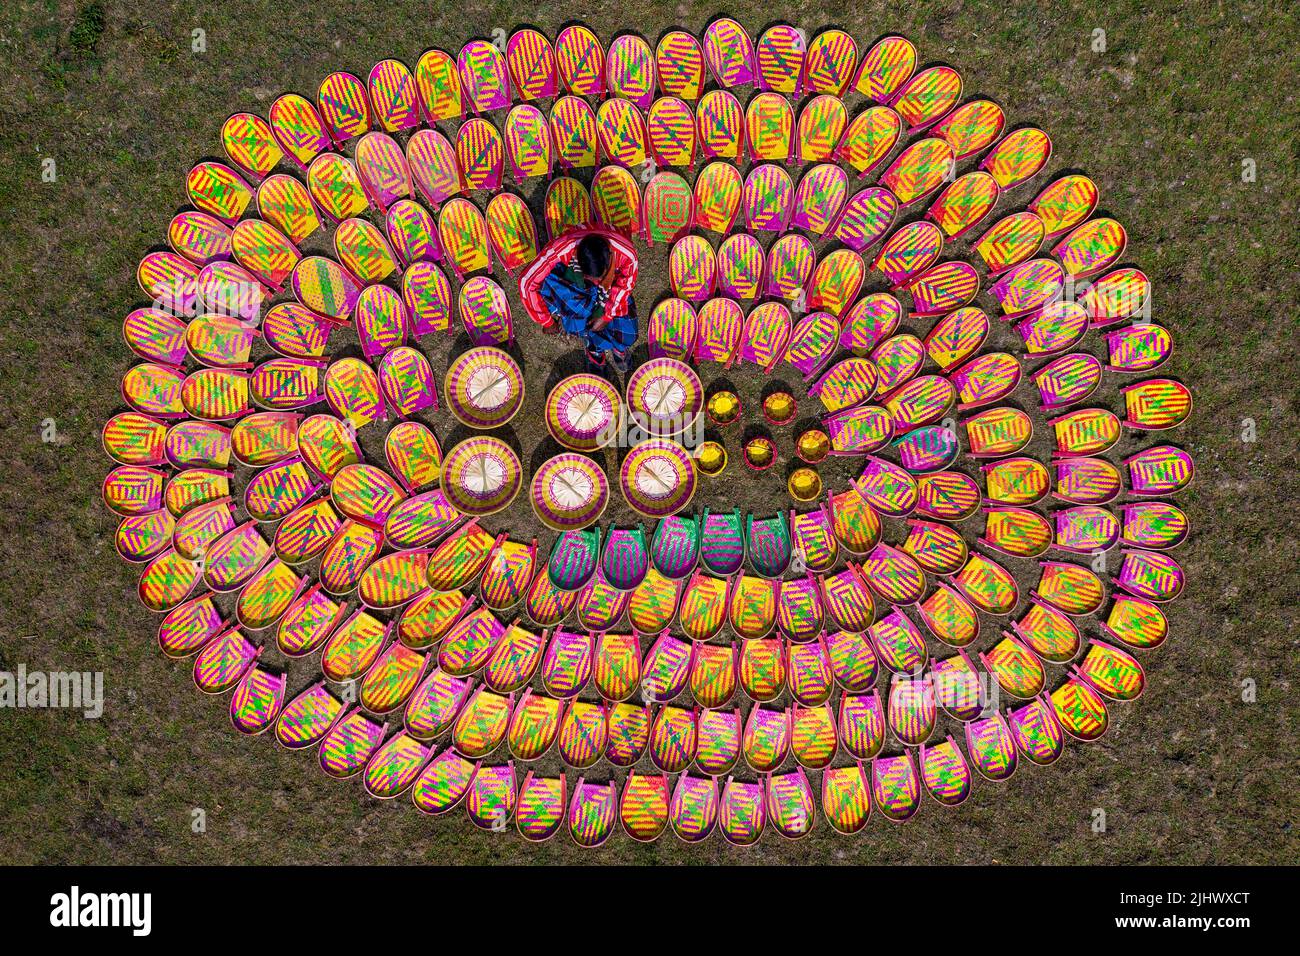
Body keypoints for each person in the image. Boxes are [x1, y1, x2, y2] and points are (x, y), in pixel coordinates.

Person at [519, 227, 639, 374]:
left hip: (610, 287)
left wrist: (607, 315)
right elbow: (526, 281)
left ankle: (618, 348)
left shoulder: (625, 254)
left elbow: (625, 285)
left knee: (627, 333)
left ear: (609, 258)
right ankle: (594, 349)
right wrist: (546, 321)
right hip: (577, 285)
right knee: (579, 320)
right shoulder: (561, 248)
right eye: (592, 277)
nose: (597, 281)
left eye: (600, 277)